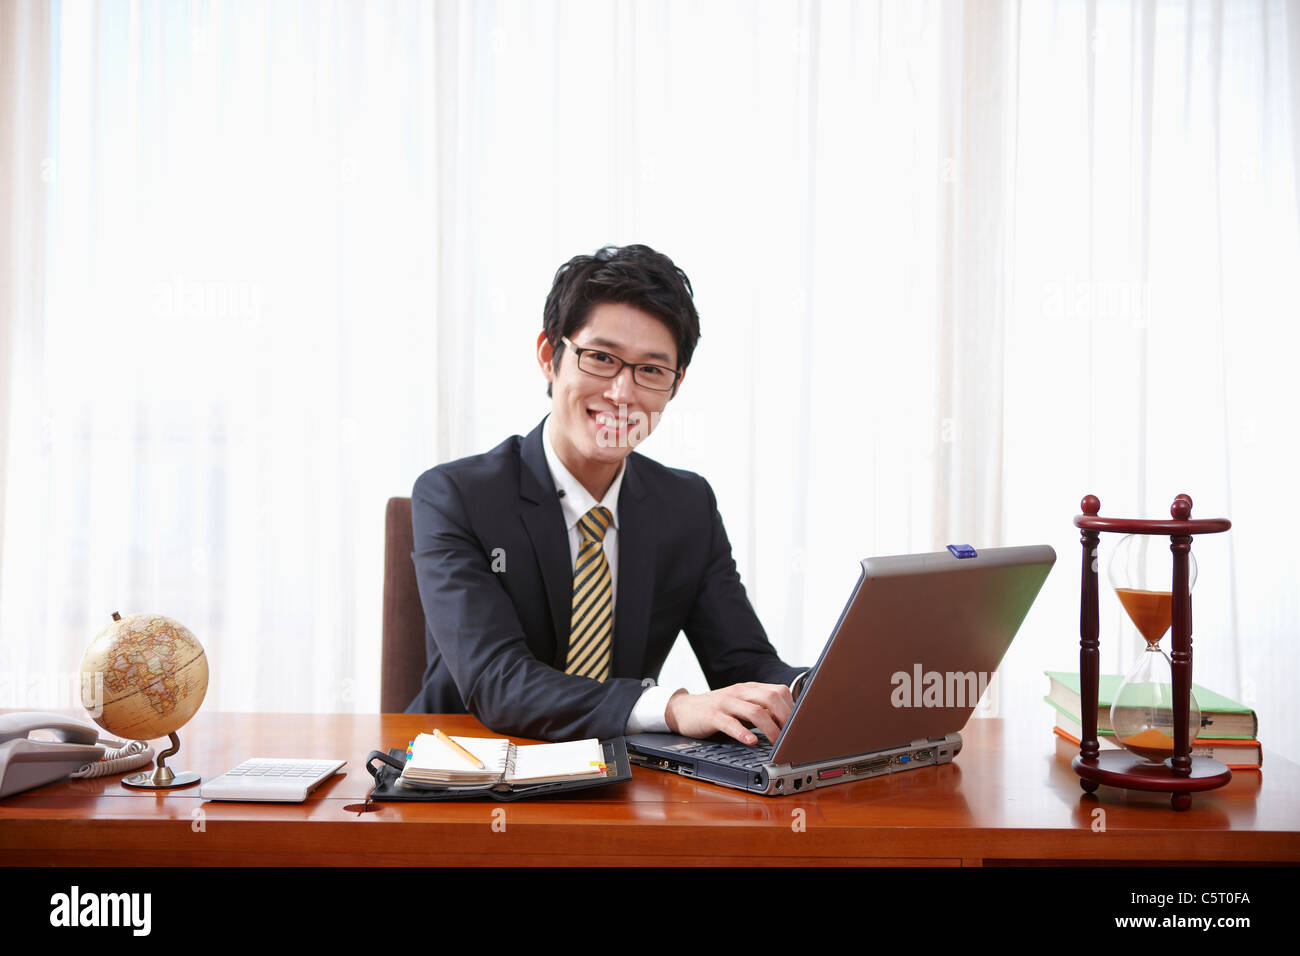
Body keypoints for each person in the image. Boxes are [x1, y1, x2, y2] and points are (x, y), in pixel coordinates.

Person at [406, 244, 805, 742]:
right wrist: (674, 707)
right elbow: (497, 682)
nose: (622, 393)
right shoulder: (456, 496)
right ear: (550, 357)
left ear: (675, 386)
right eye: (600, 358)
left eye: (651, 371)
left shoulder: (687, 506)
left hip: (616, 786)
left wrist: (837, 691)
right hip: (466, 771)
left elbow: (745, 664)